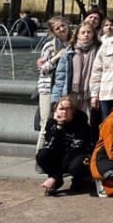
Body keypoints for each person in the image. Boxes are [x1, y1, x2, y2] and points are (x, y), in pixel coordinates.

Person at [36, 94, 92, 196]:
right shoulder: (51, 123)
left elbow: (76, 149)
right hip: (60, 154)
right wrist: (59, 126)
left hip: (78, 155)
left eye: (68, 109)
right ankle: (57, 181)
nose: (64, 112)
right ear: (56, 110)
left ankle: (81, 179)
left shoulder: (80, 123)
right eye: (61, 109)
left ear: (73, 111)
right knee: (42, 155)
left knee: (76, 166)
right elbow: (50, 146)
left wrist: (54, 176)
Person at [51, 21, 100, 134]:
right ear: (77, 34)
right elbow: (60, 77)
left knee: (89, 124)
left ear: (93, 34)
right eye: (83, 32)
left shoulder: (98, 51)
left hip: (90, 94)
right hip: (72, 94)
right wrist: (56, 99)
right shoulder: (69, 52)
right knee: (69, 123)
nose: (86, 35)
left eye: (89, 32)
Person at [36, 16, 72, 153]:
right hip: (48, 88)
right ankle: (40, 156)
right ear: (53, 32)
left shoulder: (74, 42)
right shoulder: (50, 46)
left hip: (65, 87)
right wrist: (56, 57)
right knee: (46, 123)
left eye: (63, 25)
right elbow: (43, 69)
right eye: (57, 28)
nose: (62, 29)